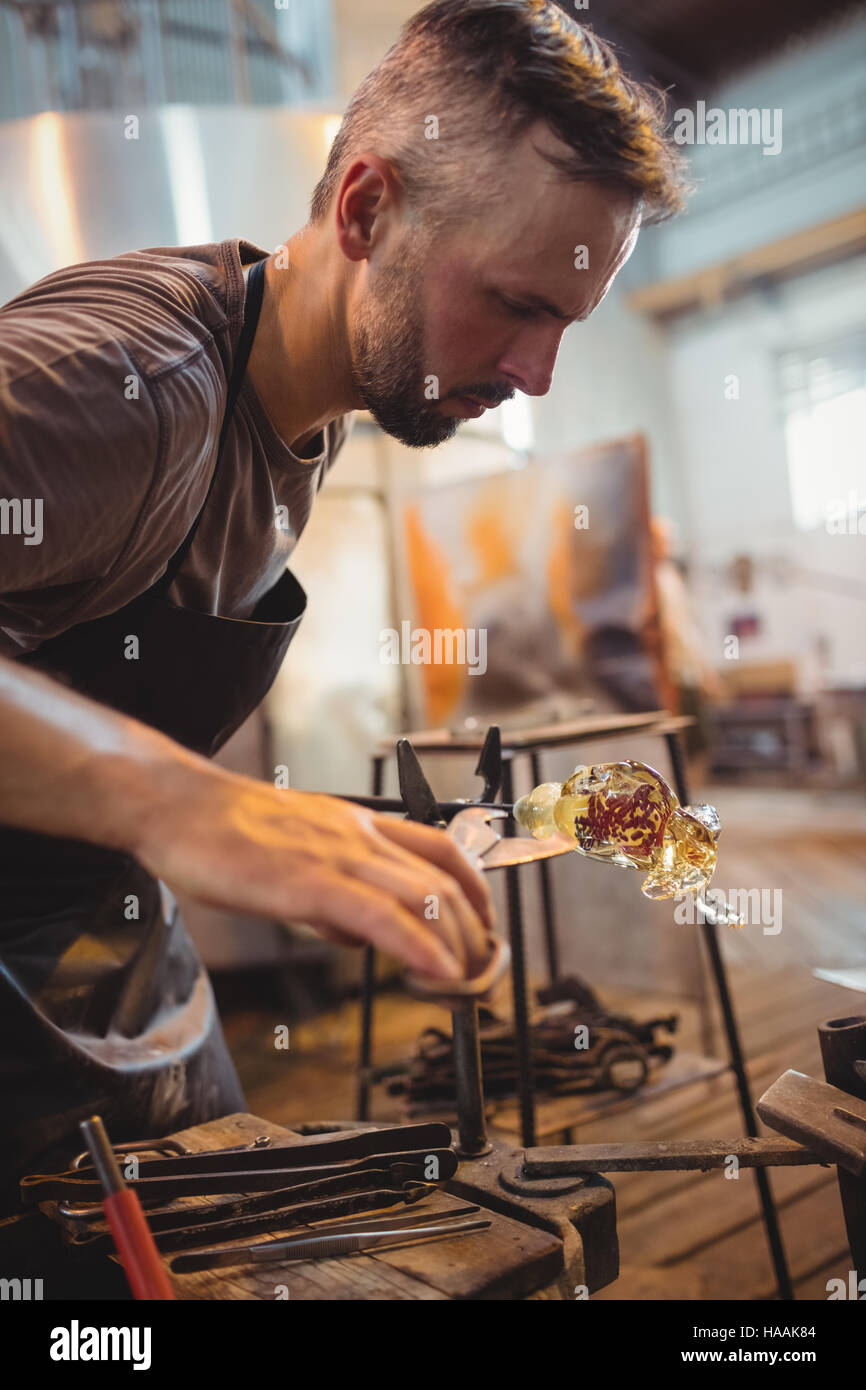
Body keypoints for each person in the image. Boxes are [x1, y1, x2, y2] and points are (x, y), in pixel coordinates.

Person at [0, 0, 687, 1190]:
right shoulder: (131, 382)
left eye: (565, 324)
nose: (533, 374)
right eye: (518, 304)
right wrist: (183, 804)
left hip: (106, 976)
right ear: (366, 209)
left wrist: (323, 839)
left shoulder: (298, 417)